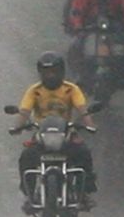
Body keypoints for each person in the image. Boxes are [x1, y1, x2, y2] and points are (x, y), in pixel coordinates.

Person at [9, 52, 97, 204]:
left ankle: (84, 192)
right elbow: (24, 112)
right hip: (41, 135)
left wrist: (90, 125)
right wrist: (17, 126)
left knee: (83, 153)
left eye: (54, 71)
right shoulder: (34, 90)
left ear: (61, 71)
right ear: (40, 73)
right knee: (26, 157)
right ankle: (29, 194)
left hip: (67, 133)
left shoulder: (71, 89)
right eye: (46, 72)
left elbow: (82, 110)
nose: (50, 76)